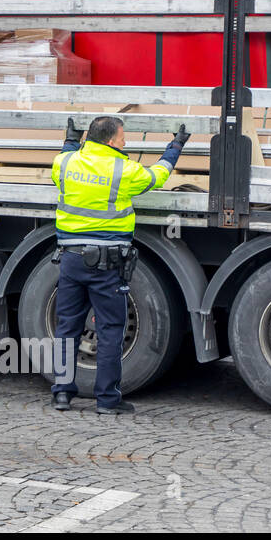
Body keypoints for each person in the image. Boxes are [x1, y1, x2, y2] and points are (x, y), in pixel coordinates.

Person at [50, 115, 188, 414]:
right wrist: (175, 147)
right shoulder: (124, 170)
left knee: (67, 328)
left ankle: (62, 394)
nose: (125, 141)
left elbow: (64, 159)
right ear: (111, 140)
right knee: (111, 330)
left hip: (71, 259)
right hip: (107, 263)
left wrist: (71, 140)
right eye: (123, 136)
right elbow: (158, 176)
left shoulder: (65, 163)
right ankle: (107, 401)